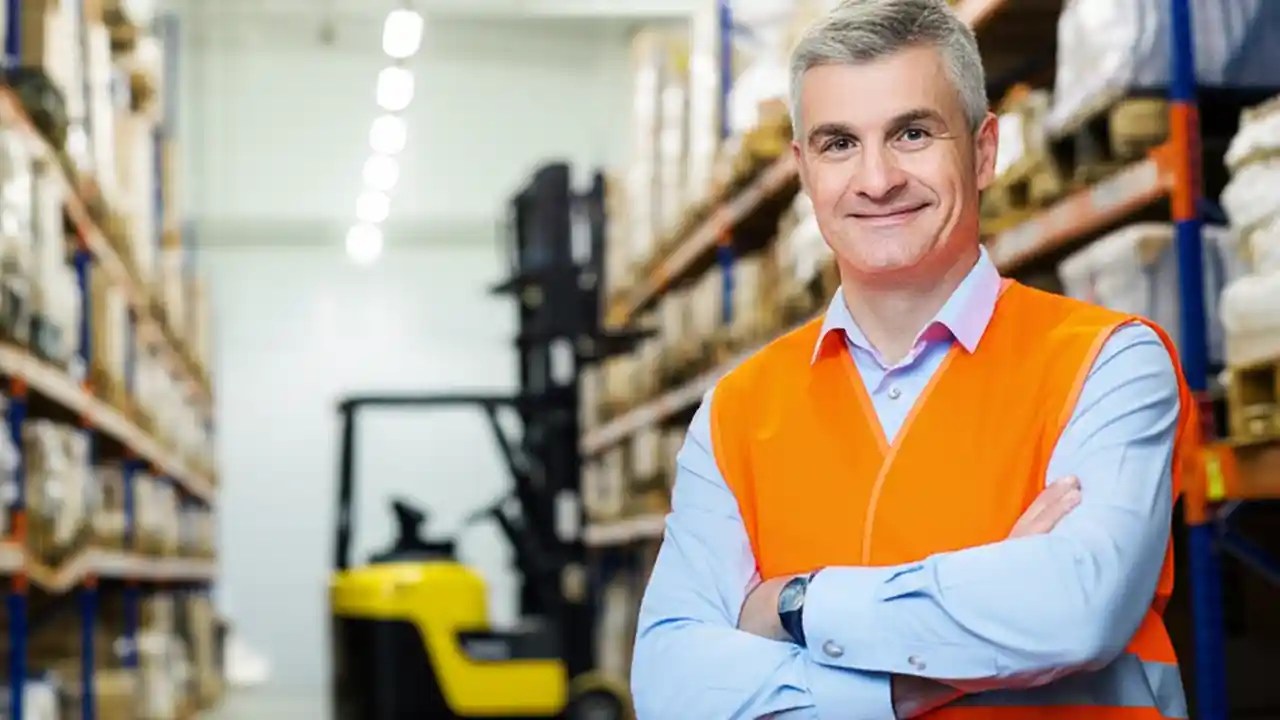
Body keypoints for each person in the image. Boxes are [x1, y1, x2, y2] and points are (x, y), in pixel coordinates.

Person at [628, 0, 1201, 718]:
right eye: (839, 144)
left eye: (912, 133)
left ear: (984, 151)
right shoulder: (736, 414)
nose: (876, 179)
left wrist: (793, 606)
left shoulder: (1108, 364)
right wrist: (916, 678)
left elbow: (1073, 609)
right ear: (804, 171)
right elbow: (673, 689)